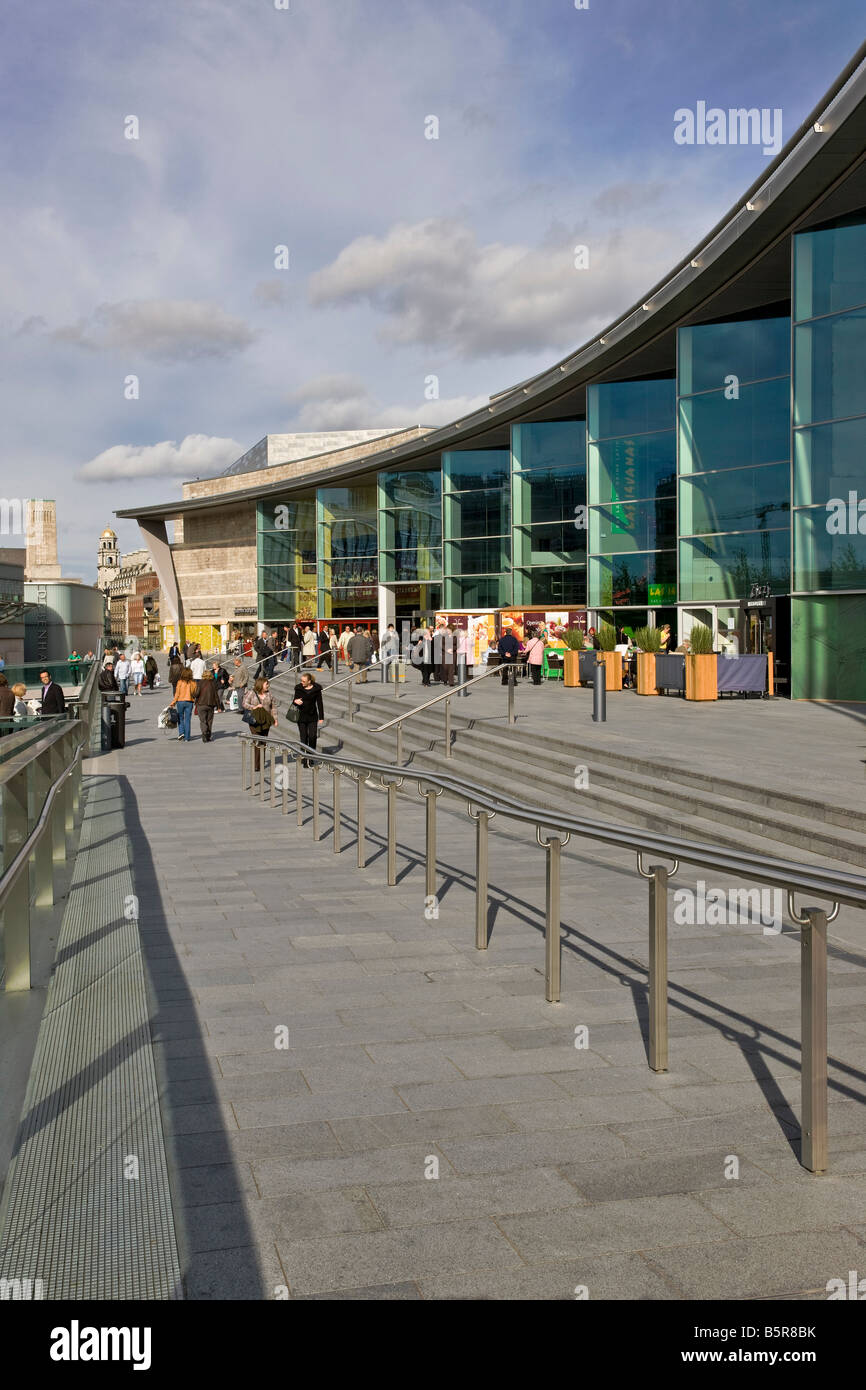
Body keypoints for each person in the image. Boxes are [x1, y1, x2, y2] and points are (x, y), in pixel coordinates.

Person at [291, 670, 325, 766]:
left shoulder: (316, 689)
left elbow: (319, 703)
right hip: (301, 716)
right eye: (301, 681)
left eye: (304, 681)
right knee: (304, 737)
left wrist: (321, 716)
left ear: (309, 681)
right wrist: (295, 701)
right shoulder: (298, 688)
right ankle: (304, 758)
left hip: (312, 715)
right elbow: (294, 701)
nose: (302, 683)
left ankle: (311, 757)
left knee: (313, 736)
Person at [243, 677, 277, 770]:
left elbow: (273, 706)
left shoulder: (269, 694)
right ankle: (256, 765)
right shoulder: (252, 693)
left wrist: (275, 719)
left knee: (264, 742)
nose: (268, 686)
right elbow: (244, 704)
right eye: (266, 684)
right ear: (261, 684)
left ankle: (261, 763)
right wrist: (254, 707)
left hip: (266, 721)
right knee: (257, 741)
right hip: (254, 721)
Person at [170, 667, 197, 742]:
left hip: (180, 701)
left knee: (180, 718)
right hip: (189, 702)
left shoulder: (180, 682)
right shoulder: (193, 682)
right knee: (188, 720)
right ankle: (187, 738)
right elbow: (194, 693)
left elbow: (177, 694)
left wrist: (173, 703)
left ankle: (181, 733)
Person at [194, 669, 220, 742]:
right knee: (209, 720)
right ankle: (208, 735)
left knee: (203, 720)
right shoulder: (213, 683)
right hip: (211, 705)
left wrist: (193, 694)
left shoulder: (200, 683)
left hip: (201, 704)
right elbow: (216, 696)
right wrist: (219, 707)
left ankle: (204, 733)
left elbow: (197, 694)